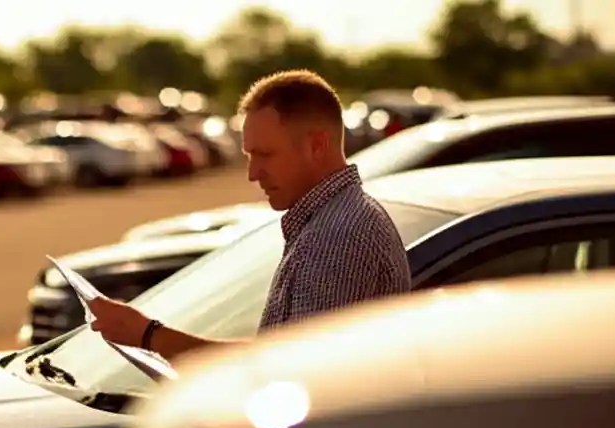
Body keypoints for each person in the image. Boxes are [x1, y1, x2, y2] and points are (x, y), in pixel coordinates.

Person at [89, 69, 412, 360]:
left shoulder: (335, 238)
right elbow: (283, 355)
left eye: (265, 155)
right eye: (249, 155)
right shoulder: (341, 217)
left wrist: (149, 335)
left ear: (317, 145)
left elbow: (291, 372)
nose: (253, 173)